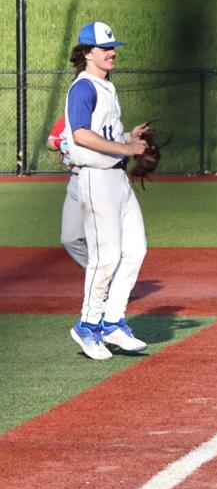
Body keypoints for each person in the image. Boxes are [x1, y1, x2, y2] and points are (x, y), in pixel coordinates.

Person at [64, 21, 151, 360]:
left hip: (117, 179)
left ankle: (113, 321)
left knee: (136, 250)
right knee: (106, 256)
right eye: (105, 48)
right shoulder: (83, 87)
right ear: (87, 53)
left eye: (113, 47)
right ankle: (87, 325)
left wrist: (127, 138)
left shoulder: (106, 86)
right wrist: (126, 150)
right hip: (96, 180)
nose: (112, 53)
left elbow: (105, 135)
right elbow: (81, 134)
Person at [48, 115, 88, 270]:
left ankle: (109, 283)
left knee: (100, 237)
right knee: (70, 239)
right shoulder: (69, 117)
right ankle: (100, 277)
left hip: (99, 180)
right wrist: (61, 144)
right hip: (76, 181)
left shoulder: (100, 115)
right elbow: (51, 141)